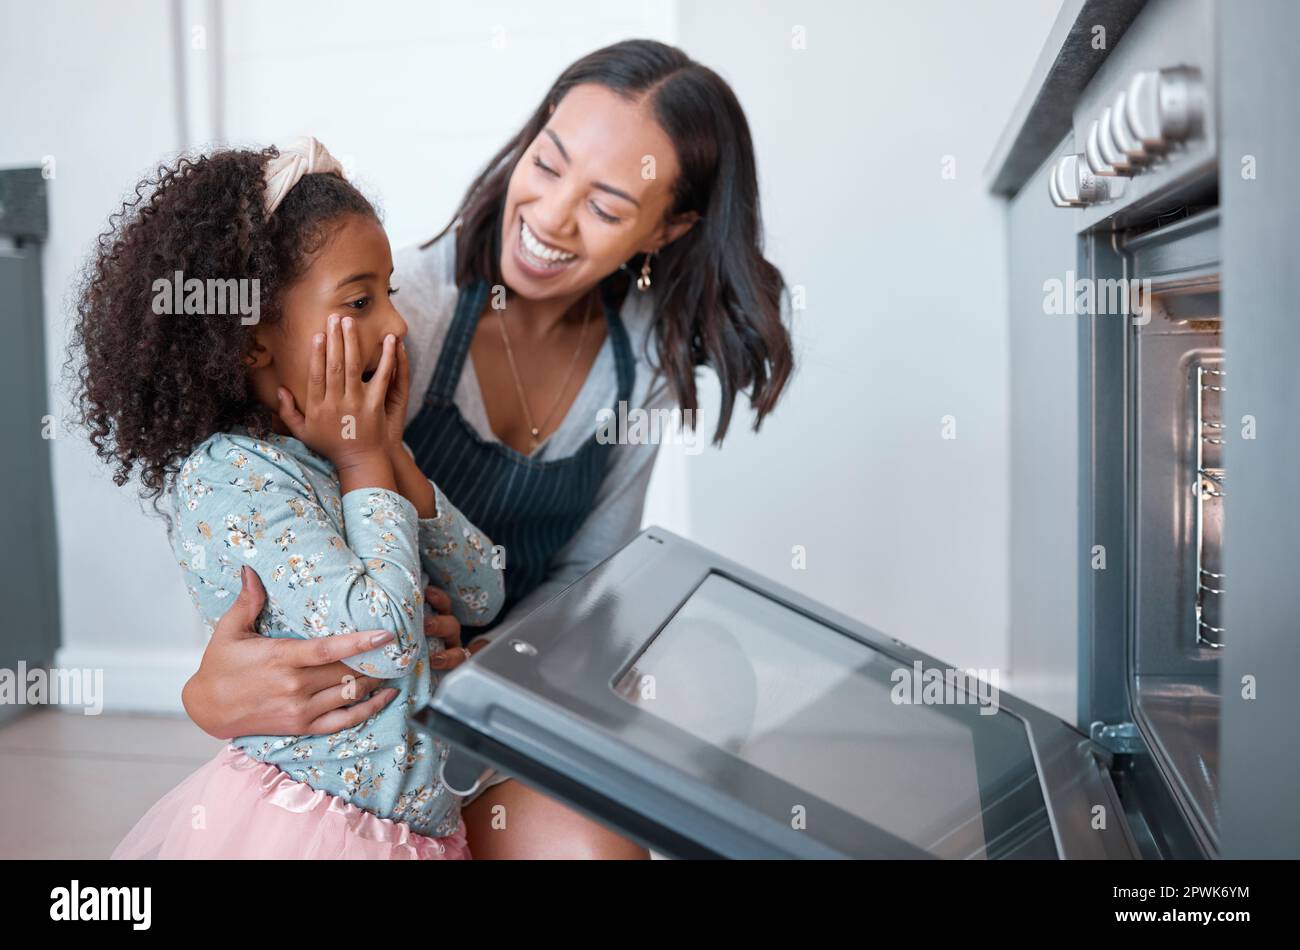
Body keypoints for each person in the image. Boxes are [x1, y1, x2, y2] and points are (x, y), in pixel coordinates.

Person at [179, 39, 796, 859]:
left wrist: (487, 661)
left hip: (515, 688)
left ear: (669, 228)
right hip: (372, 712)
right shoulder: (405, 319)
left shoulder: (640, 365)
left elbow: (587, 575)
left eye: (608, 207)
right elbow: (270, 534)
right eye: (548, 164)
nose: (548, 217)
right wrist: (205, 691)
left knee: (699, 684)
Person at [72, 137, 504, 858]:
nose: (396, 326)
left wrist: (391, 454)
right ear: (250, 343)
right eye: (360, 300)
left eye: (389, 295)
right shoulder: (229, 478)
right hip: (316, 829)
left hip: (417, 830)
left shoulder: (348, 451)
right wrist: (367, 458)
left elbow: (483, 590)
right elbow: (388, 642)